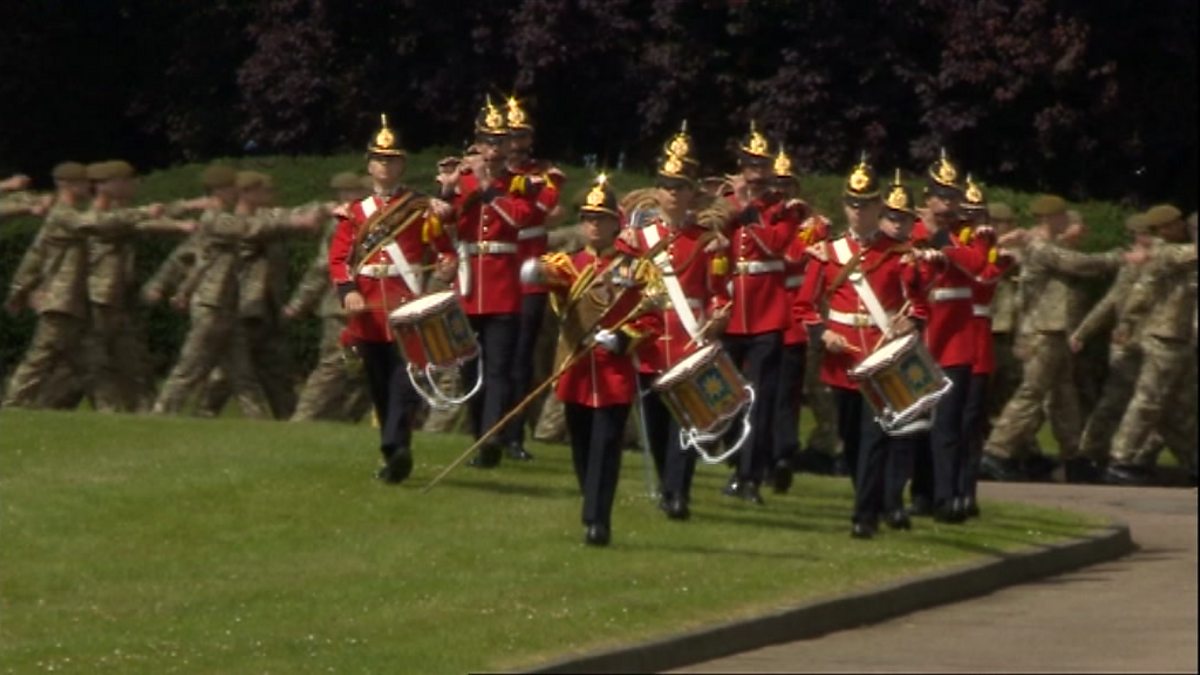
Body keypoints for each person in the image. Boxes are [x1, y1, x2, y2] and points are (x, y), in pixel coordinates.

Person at [525, 173, 662, 545]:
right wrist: (536, 272)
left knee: (606, 447)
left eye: (600, 218)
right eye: (587, 218)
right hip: (576, 367)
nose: (593, 224)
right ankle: (591, 501)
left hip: (613, 370)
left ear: (615, 223)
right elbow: (551, 275)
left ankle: (597, 520)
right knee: (583, 448)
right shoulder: (569, 263)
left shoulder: (635, 269)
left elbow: (651, 319)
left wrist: (621, 338)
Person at [796, 160, 927, 538]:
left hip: (882, 357)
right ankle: (873, 499)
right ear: (844, 207)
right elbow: (804, 305)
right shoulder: (827, 252)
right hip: (844, 357)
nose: (859, 211)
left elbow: (919, 302)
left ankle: (863, 516)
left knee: (874, 437)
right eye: (853, 204)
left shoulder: (899, 253)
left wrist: (911, 321)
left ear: (878, 208)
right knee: (852, 439)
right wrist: (822, 334)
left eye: (866, 204)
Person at [328, 114, 457, 483]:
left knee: (406, 381)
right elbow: (339, 259)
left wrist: (439, 282)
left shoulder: (420, 208)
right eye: (379, 160)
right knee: (380, 384)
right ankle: (392, 451)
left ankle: (398, 447)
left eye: (392, 159)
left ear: (402, 164)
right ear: (370, 165)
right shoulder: (354, 214)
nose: (386, 166)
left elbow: (445, 253)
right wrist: (348, 291)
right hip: (368, 308)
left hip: (406, 305)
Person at [619, 122, 731, 520]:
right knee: (655, 420)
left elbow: (718, 290)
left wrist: (719, 314)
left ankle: (678, 492)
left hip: (688, 337)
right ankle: (668, 487)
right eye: (667, 185)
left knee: (686, 419)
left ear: (692, 193)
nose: (672, 193)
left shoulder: (706, 239)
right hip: (651, 338)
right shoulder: (639, 237)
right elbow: (620, 284)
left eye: (680, 186)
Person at [981, 195, 1124, 483]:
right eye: (1062, 217)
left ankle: (1075, 457)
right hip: (1041, 332)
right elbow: (1079, 264)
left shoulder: (1043, 245)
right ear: (1049, 218)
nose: (1067, 222)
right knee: (1031, 393)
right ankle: (996, 452)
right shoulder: (1040, 247)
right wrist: (1120, 257)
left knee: (1064, 397)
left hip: (1054, 331)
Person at [444, 97, 534, 468]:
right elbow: (443, 222)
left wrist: (489, 189)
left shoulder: (518, 182)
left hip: (501, 286)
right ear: (478, 143)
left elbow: (521, 218)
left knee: (498, 367)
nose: (494, 149)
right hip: (468, 286)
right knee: (468, 368)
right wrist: (448, 190)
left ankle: (492, 435)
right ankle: (476, 434)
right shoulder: (461, 179)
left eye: (500, 142)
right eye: (487, 142)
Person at [718, 122, 799, 504]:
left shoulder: (781, 211)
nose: (755, 172)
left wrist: (752, 215)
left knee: (761, 398)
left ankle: (750, 475)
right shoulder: (725, 202)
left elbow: (776, 246)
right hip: (732, 310)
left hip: (766, 313)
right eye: (750, 164)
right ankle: (733, 460)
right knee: (730, 396)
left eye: (761, 165)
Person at [912, 154, 990, 522]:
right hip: (917, 335)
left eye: (953, 196)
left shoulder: (967, 234)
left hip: (953, 339)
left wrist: (944, 241)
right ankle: (919, 493)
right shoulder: (911, 229)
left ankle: (946, 497)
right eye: (941, 195)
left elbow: (978, 266)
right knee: (913, 424)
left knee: (948, 425)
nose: (947, 203)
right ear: (927, 197)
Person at [82, 159, 195, 412]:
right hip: (97, 299)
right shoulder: (95, 218)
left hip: (119, 299)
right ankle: (105, 409)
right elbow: (139, 220)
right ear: (103, 186)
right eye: (125, 180)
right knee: (90, 363)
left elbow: (145, 218)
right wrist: (178, 224)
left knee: (132, 362)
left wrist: (188, 208)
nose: (132, 185)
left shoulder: (122, 215)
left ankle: (142, 412)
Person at [1104, 205, 1197, 484]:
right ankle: (1121, 458)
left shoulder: (1164, 253)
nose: (1183, 226)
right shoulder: (1163, 251)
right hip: (1163, 336)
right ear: (1166, 227)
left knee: (1176, 406)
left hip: (1176, 336)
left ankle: (1191, 457)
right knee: (1148, 401)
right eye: (1178, 223)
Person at [501, 96, 566, 461]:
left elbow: (547, 213)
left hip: (527, 268)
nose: (514, 144)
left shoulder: (544, 174)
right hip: (494, 269)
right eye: (508, 136)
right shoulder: (490, 174)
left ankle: (514, 433)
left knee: (521, 356)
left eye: (519, 136)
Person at [4, 163, 97, 407]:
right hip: (60, 298)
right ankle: (13, 404)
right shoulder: (65, 215)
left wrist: (20, 289)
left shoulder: (61, 211)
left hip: (69, 298)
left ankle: (49, 406)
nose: (90, 186)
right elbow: (36, 256)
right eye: (84, 182)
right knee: (42, 357)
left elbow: (35, 256)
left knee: (81, 359)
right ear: (69, 185)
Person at [285, 171, 373, 423]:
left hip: (367, 304)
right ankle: (303, 419)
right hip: (341, 305)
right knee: (334, 365)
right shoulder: (343, 223)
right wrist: (299, 303)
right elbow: (324, 267)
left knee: (363, 369)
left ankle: (341, 420)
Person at [1070, 213, 1155, 464]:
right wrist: (1082, 333)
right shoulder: (1133, 265)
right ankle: (1093, 452)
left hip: (1154, 340)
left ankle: (1137, 456)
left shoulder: (1165, 261)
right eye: (1146, 234)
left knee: (1158, 402)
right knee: (1117, 400)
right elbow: (1111, 302)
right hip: (1129, 340)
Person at [774, 146, 829, 491]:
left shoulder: (811, 224)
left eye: (786, 185)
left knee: (788, 391)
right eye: (775, 185)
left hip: (794, 312)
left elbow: (793, 255)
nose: (780, 191)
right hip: (758, 311)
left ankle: (783, 452)